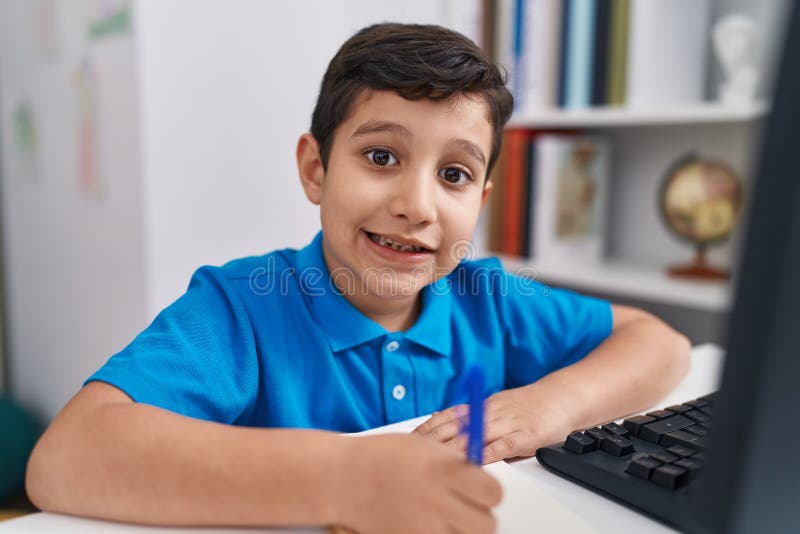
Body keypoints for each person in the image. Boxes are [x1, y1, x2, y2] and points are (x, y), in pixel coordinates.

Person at [25, 23, 690, 534]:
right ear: (316, 169)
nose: (417, 205)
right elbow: (66, 458)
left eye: (453, 174)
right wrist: (344, 478)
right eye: (381, 156)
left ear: (480, 202)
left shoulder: (489, 297)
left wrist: (552, 406)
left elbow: (658, 343)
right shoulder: (243, 306)